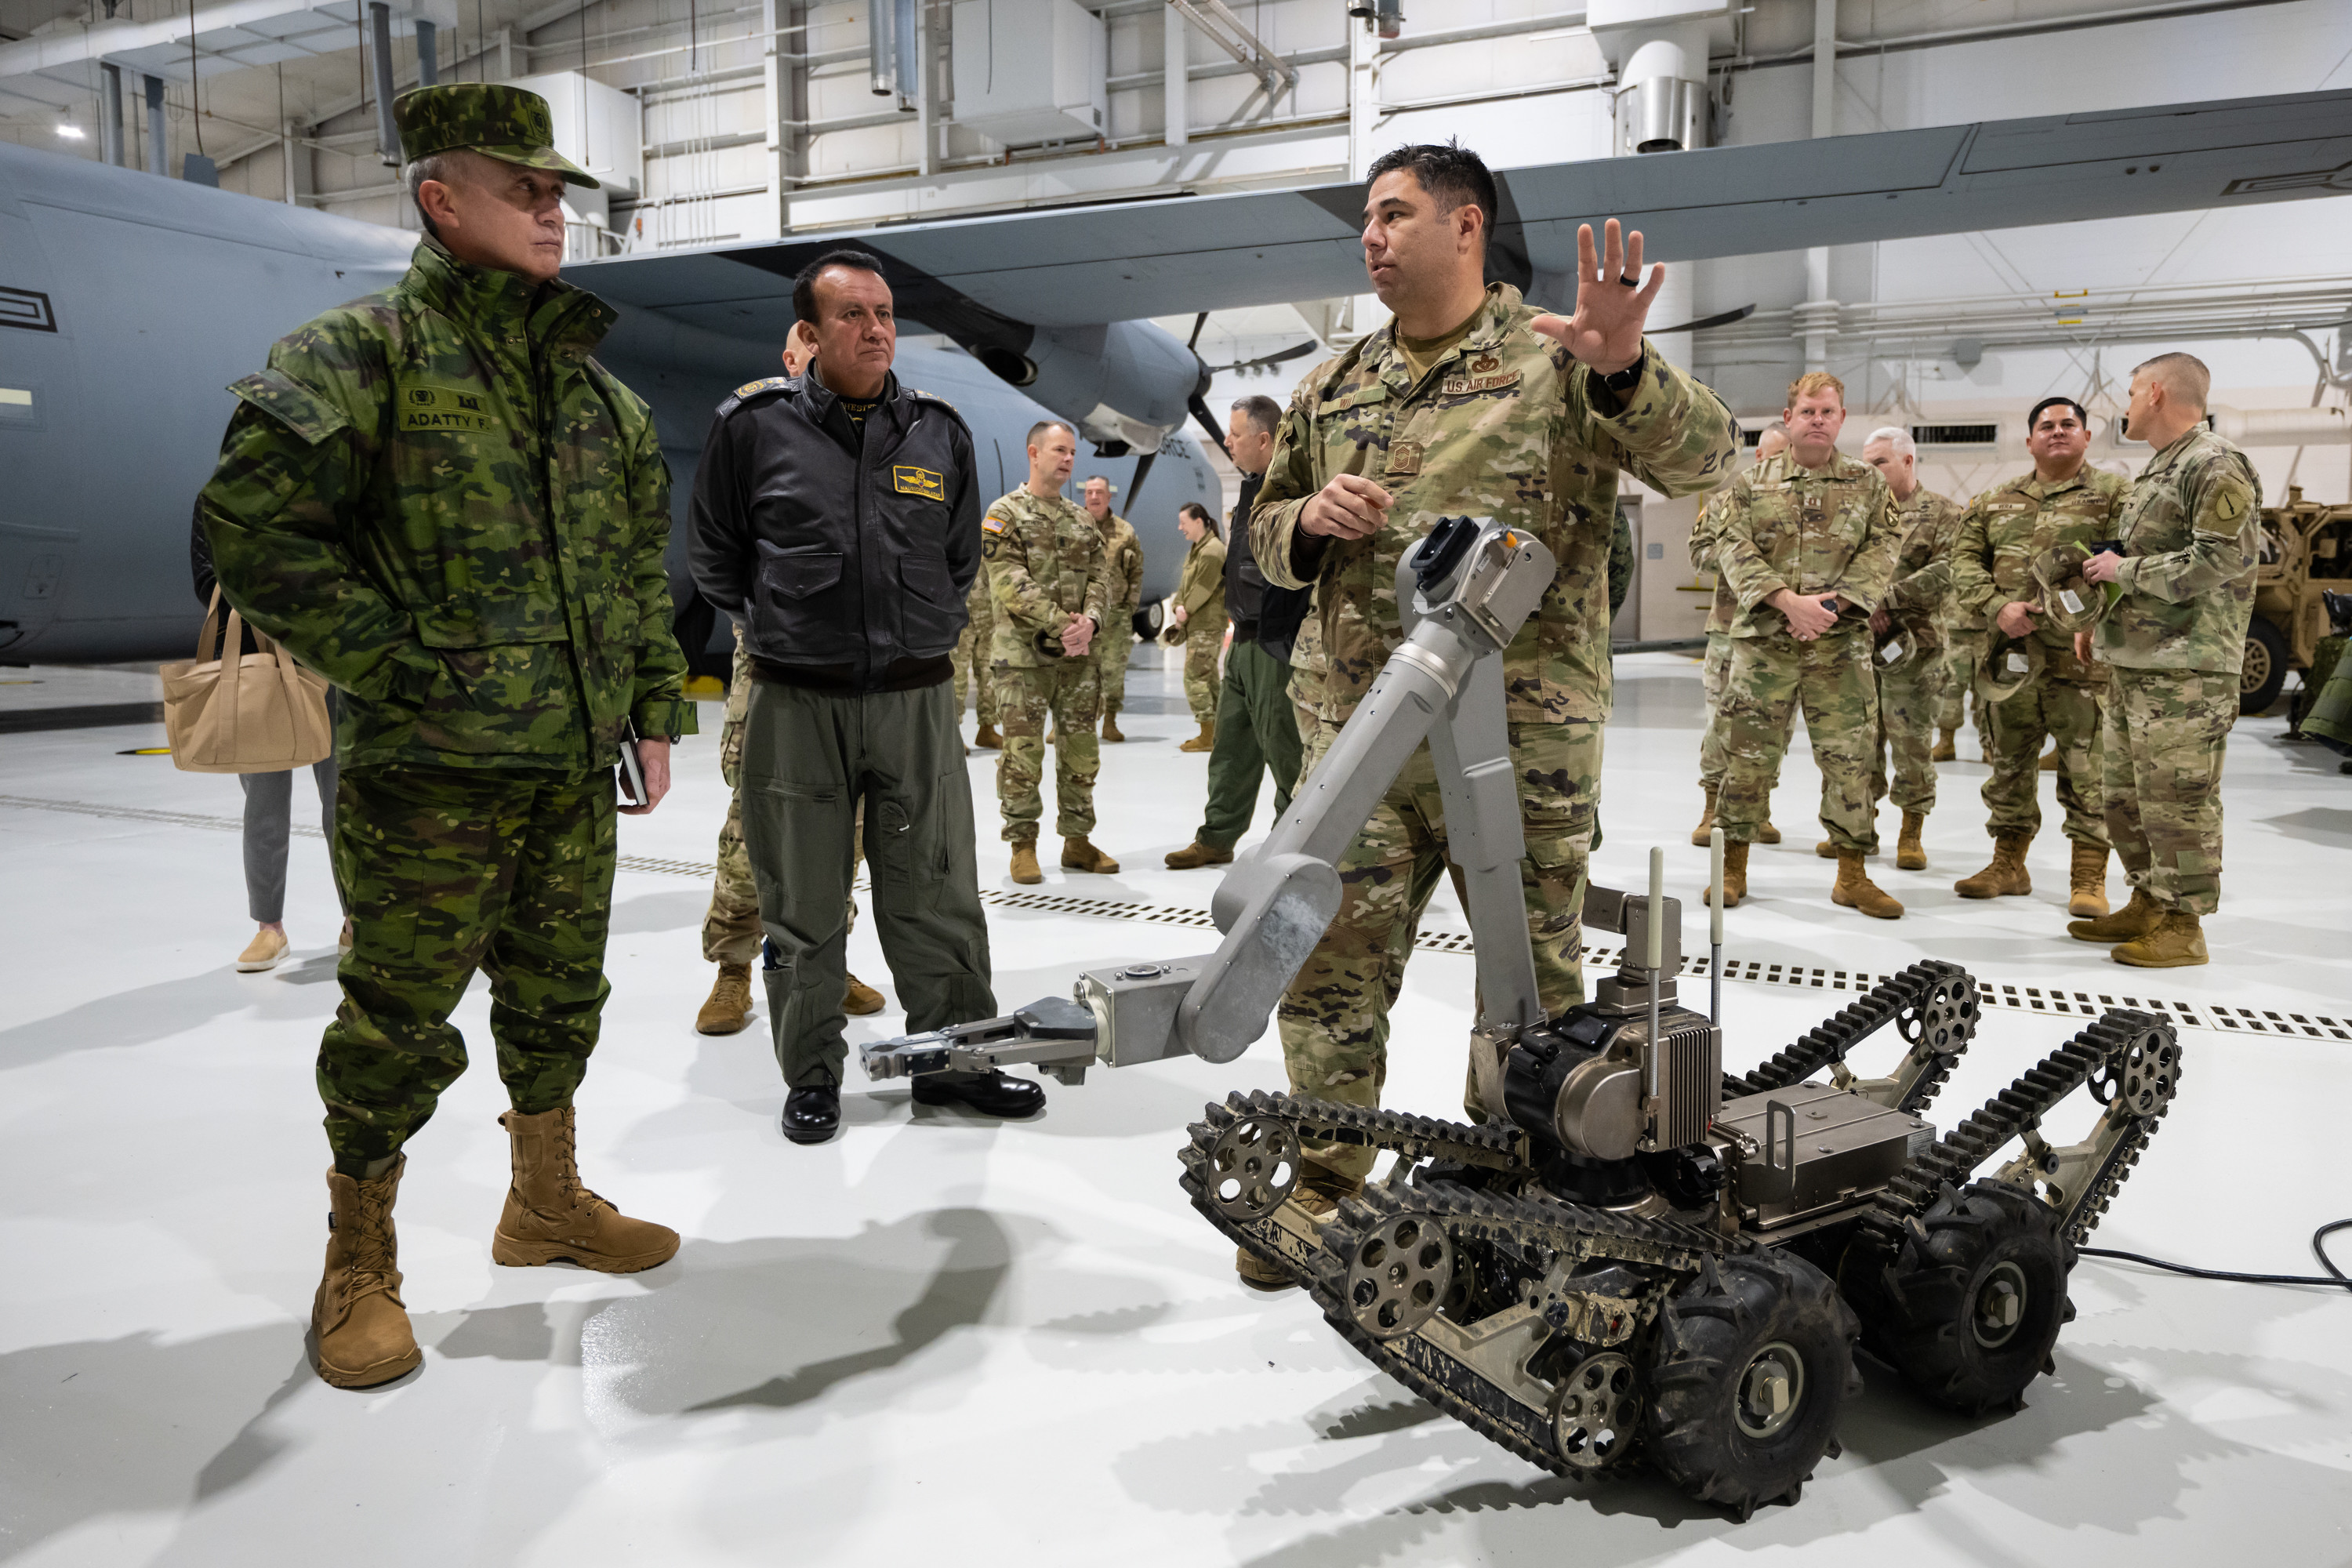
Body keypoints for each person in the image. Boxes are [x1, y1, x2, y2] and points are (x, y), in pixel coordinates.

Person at [200, 83, 694, 1390]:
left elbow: (635, 570)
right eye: (523, 188)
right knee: (396, 1022)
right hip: (427, 779)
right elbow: (248, 528)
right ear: (441, 199)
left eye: (558, 191)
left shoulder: (597, 399)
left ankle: (545, 1203)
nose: (553, 209)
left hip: (569, 772)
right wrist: (400, 667)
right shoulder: (358, 357)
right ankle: (357, 1260)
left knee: (560, 995)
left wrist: (652, 709)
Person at [1246, 139, 1739, 1285]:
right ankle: (1327, 1179)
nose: (1370, 238)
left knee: (1531, 987)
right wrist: (1304, 519)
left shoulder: (1559, 360)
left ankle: (1523, 1184)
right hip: (1358, 738)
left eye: (1393, 214)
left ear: (1466, 225)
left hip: (1521, 748)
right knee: (1324, 961)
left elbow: (1707, 458)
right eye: (1366, 222)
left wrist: (1626, 369)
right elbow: (1264, 537)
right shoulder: (1333, 383)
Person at [688, 249, 1040, 1143]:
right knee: (803, 904)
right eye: (853, 315)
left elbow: (959, 559)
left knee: (938, 892)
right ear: (809, 333)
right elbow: (716, 557)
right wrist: (782, 628)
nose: (877, 329)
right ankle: (812, 1076)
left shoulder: (938, 431)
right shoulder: (753, 427)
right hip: (797, 703)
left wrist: (917, 631)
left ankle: (954, 1063)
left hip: (915, 702)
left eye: (885, 313)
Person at [695, 322, 887, 1035]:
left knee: (847, 827)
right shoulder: (756, 434)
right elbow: (717, 549)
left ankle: (826, 961)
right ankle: (733, 970)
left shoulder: (876, 442)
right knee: (753, 828)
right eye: (816, 347)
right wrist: (766, 620)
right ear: (792, 358)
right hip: (773, 668)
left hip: (854, 672)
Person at [2073, 353, 2261, 966]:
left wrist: (2122, 571)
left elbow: (2222, 559)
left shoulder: (2214, 464)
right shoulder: (2160, 468)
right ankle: (2149, 901)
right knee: (2125, 798)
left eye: (2131, 392)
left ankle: (2184, 924)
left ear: (2155, 393)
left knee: (2178, 800)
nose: (2125, 405)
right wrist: (2102, 617)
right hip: (2138, 662)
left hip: (2187, 670)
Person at [1708, 371, 1902, 915]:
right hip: (1765, 646)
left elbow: (1885, 546)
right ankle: (1732, 868)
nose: (1818, 420)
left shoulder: (1868, 484)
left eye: (1828, 412)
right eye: (1808, 411)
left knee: (1850, 761)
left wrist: (1831, 608)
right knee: (1746, 756)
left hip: (1839, 646)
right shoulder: (1750, 485)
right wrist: (1786, 602)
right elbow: (1732, 545)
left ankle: (1852, 875)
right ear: (1789, 418)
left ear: (1842, 419)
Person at [1947, 396, 2128, 915]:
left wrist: (2098, 617)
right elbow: (1962, 562)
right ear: (2029, 441)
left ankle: (2088, 878)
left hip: (2084, 664)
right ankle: (2008, 865)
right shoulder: (1993, 501)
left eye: (2069, 424)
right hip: (2012, 658)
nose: (2058, 431)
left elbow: (2132, 559)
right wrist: (1998, 606)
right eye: (2046, 426)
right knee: (2008, 766)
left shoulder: (2117, 496)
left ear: (2087, 437)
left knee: (2088, 770)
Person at [191, 514, 351, 970]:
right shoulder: (217, 499)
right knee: (263, 802)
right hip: (253, 663)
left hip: (328, 657)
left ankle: (355, 917)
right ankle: (269, 928)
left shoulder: (319, 489)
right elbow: (207, 578)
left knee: (343, 799)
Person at [1163, 396, 1306, 870]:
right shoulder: (1250, 489)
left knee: (1285, 751)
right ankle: (1217, 837)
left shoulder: (1293, 492)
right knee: (1230, 749)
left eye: (1235, 434)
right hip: (1242, 640)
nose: (1226, 441)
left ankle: (1290, 851)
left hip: (1274, 642)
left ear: (1264, 439)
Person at [983, 421, 1120, 884]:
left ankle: (1077, 842)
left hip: (1078, 659)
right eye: (1060, 450)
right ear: (1034, 453)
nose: (1068, 459)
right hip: (1023, 660)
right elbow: (1010, 583)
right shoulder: (1005, 513)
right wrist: (1066, 626)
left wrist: (1091, 623)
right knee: (1022, 754)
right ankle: (1022, 845)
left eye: (1072, 453)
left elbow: (1101, 576)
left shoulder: (1082, 519)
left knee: (1081, 750)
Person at [1857, 426, 1962, 871]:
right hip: (1860, 646)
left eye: (1879, 462)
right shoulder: (1859, 512)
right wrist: (1865, 603)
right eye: (1866, 463)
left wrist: (1887, 598)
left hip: (1917, 652)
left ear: (1907, 461)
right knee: (1859, 743)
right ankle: (1859, 827)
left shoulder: (1943, 512)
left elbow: (1949, 569)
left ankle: (1911, 832)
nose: (1871, 471)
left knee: (1911, 744)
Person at [1689, 425, 1788, 847]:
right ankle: (1711, 807)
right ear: (1758, 457)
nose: (1777, 464)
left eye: (1785, 456)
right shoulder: (1726, 501)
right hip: (1730, 630)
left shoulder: (1801, 509)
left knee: (1774, 726)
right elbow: (1699, 553)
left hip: (1779, 632)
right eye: (1771, 456)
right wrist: (1745, 558)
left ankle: (1758, 808)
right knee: (1720, 721)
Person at [1083, 474, 1145, 743]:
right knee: (1075, 669)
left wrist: (1129, 607)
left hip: (1115, 613)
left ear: (1109, 497)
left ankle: (1110, 721)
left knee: (1113, 670)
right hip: (1080, 614)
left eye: (1099, 492)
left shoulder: (1125, 532)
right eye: (1089, 492)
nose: (1094, 497)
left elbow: (1136, 571)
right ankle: (1070, 723)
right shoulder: (1072, 525)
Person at [1165, 503, 1227, 743]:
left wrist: (1185, 610)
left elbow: (1203, 587)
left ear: (1198, 521)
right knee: (1207, 678)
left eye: (1184, 523)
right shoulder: (1198, 549)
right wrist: (1177, 605)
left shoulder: (1212, 551)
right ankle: (1218, 732)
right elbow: (1185, 585)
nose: (1180, 527)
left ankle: (1207, 734)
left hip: (1207, 625)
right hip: (1198, 624)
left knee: (1195, 677)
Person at [956, 568, 1002, 749]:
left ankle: (988, 729)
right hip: (959, 610)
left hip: (989, 610)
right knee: (955, 675)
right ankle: (953, 734)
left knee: (991, 672)